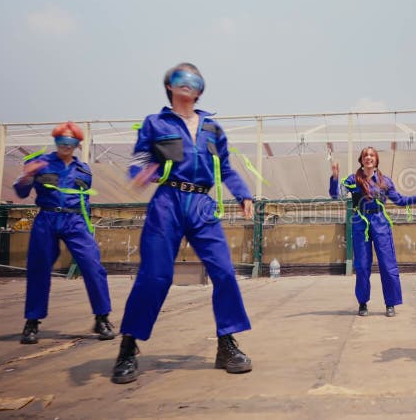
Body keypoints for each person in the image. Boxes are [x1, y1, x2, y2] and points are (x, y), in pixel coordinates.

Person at [111, 63, 255, 384]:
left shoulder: (212, 128)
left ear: (201, 89)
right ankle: (128, 346)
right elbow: (140, 161)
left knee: (224, 271)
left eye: (195, 80)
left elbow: (227, 168)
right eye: (180, 79)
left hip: (203, 205)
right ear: (170, 87)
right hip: (167, 202)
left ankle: (226, 344)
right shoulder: (156, 122)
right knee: (155, 276)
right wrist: (140, 175)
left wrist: (244, 195)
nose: (187, 85)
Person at [13, 122, 115, 344]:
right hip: (47, 219)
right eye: (61, 141)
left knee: (93, 265)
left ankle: (102, 318)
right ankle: (32, 322)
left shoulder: (84, 170)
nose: (65, 146)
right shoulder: (39, 164)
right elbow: (21, 192)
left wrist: (86, 225)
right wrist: (26, 177)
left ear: (77, 144)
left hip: (75, 220)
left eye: (70, 142)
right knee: (38, 268)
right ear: (55, 141)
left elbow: (84, 199)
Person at [330, 149, 416, 317]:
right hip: (361, 224)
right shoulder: (353, 180)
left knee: (388, 265)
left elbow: (400, 200)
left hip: (381, 223)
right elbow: (335, 195)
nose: (368, 157)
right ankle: (362, 303)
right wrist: (335, 178)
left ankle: (390, 303)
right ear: (361, 160)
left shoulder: (384, 181)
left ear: (376, 160)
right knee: (362, 266)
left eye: (372, 155)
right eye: (365, 155)